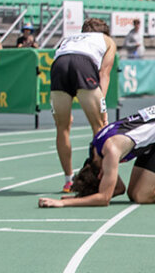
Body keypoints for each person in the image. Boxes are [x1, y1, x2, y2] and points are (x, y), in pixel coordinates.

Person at [38, 105, 155, 207]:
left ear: (100, 175)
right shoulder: (96, 151)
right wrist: (79, 197)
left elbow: (104, 198)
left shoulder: (109, 152)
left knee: (143, 196)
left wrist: (64, 204)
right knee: (133, 193)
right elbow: (118, 189)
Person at [48, 18, 117, 192]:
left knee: (62, 127)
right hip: (83, 64)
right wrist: (102, 104)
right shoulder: (107, 40)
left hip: (59, 67)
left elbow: (60, 58)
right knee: (100, 127)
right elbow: (104, 74)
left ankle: (68, 180)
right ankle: (101, 176)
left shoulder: (69, 38)